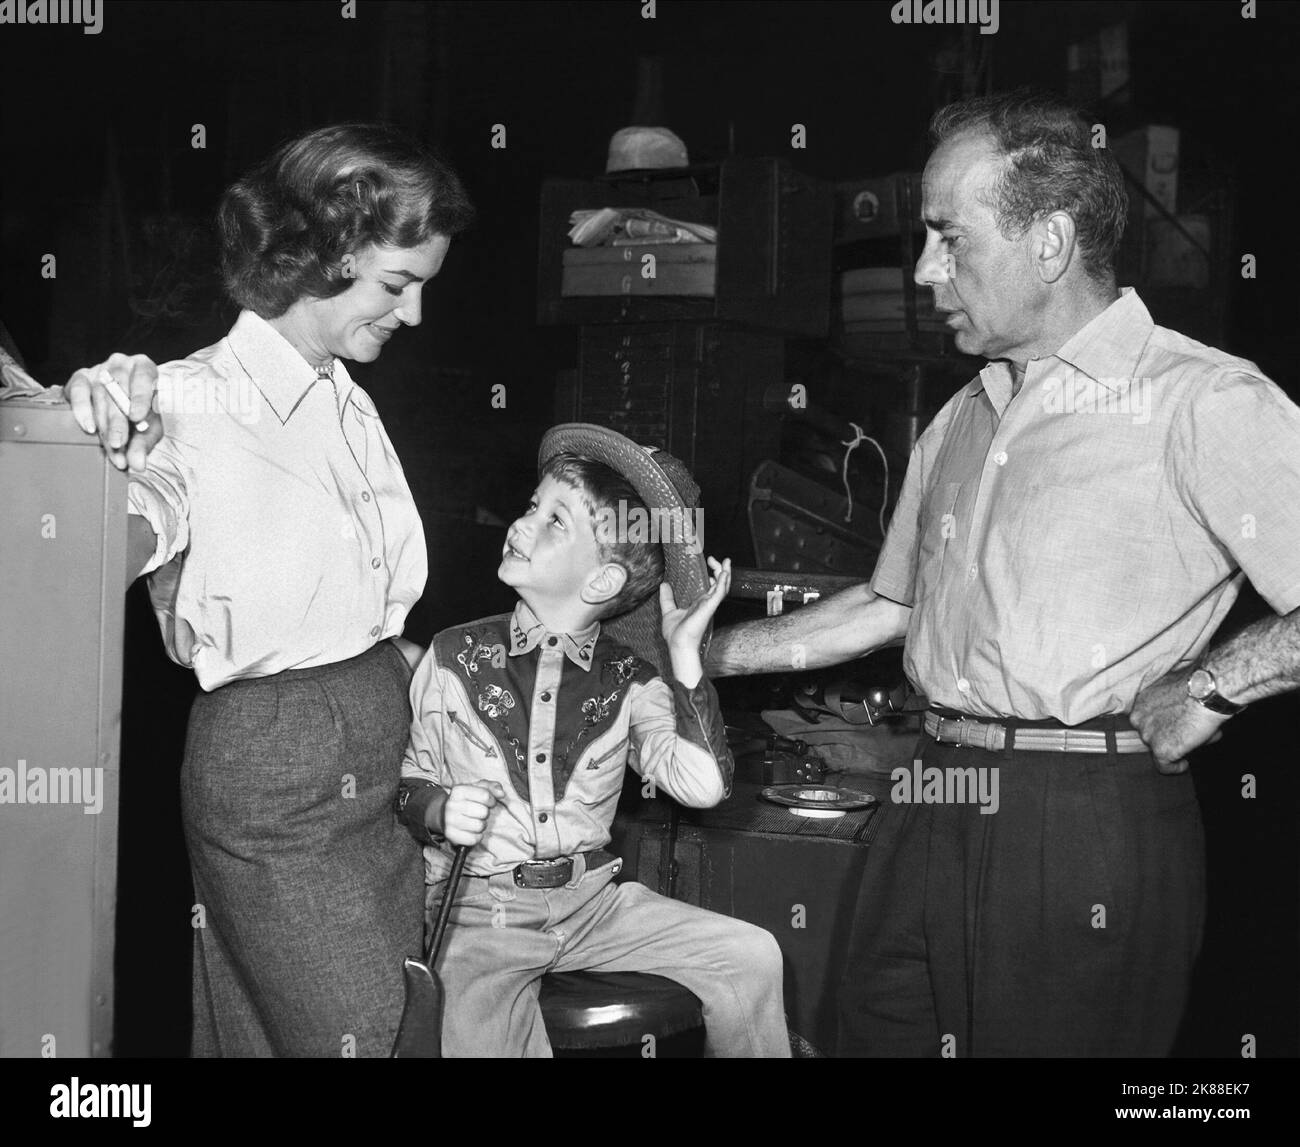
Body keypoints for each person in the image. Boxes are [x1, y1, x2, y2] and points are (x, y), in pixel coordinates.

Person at [705, 89, 1300, 1057]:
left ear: (1050, 241)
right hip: (932, 793)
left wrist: (1213, 685)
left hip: (1079, 823)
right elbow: (885, 605)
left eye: (948, 235)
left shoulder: (1201, 400)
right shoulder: (965, 413)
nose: (924, 268)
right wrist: (704, 653)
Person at [63, 122, 475, 1056]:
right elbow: (124, 520)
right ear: (321, 254)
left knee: (259, 1042)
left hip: (375, 755)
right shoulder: (184, 399)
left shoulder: (345, 394)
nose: (412, 317)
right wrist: (89, 444)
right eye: (397, 285)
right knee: (374, 1041)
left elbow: (368, 610)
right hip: (279, 772)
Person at [395, 427, 790, 1057]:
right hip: (482, 912)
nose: (522, 525)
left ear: (603, 582)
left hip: (591, 905)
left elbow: (705, 786)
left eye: (555, 521)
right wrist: (439, 808)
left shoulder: (632, 683)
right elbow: (408, 785)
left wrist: (686, 658)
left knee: (751, 954)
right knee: (475, 1032)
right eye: (531, 507)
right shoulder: (454, 656)